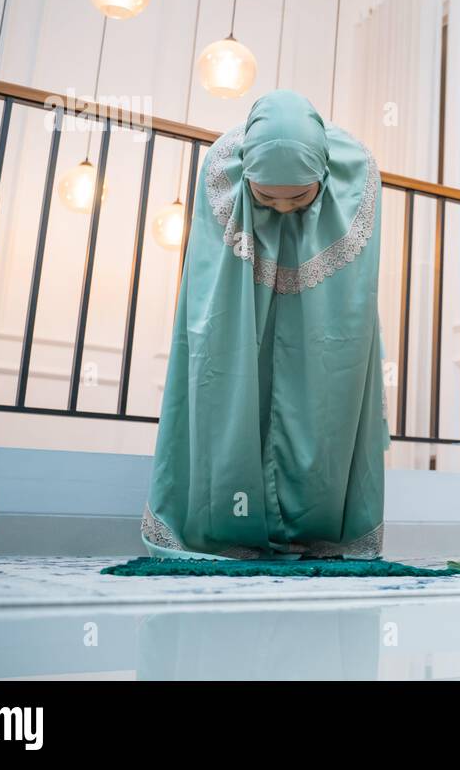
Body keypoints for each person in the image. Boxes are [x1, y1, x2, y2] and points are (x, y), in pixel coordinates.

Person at [140, 89, 389, 560]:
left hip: (322, 311)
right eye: (265, 198)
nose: (282, 209)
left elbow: (352, 293)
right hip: (244, 296)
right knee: (231, 371)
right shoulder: (220, 168)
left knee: (323, 378)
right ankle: (227, 526)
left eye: (298, 197)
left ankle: (316, 528)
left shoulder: (358, 172)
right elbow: (213, 281)